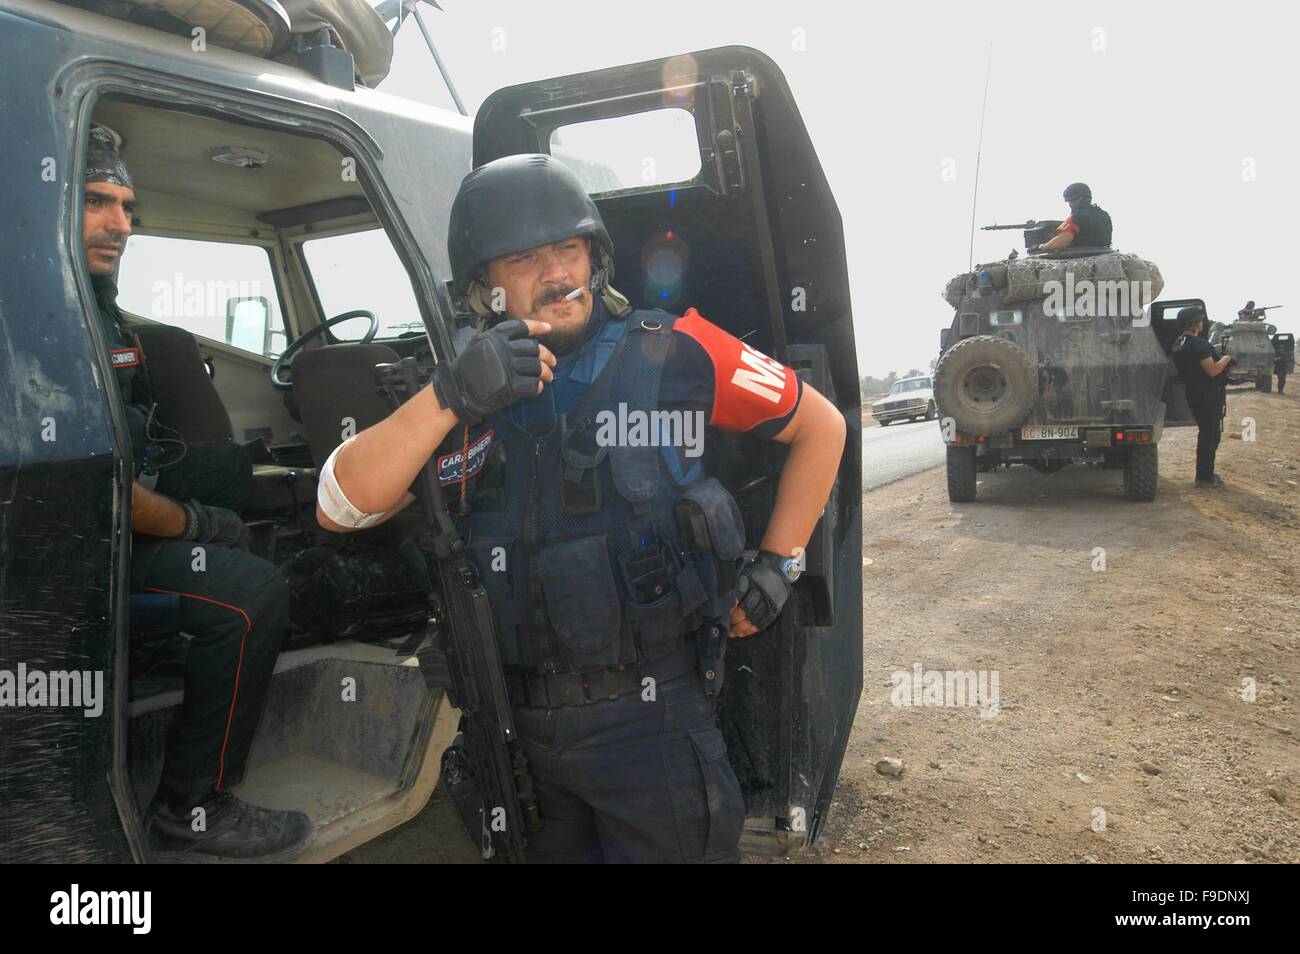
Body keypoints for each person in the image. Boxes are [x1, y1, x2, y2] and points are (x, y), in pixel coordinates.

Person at [317, 153, 847, 863]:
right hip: (513, 735)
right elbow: (340, 507)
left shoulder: (677, 349)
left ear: (595, 259)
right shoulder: (455, 394)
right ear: (483, 286)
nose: (556, 273)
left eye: (568, 249)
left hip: (650, 727)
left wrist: (781, 565)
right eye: (524, 258)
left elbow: (822, 427)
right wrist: (449, 397)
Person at [83, 125, 313, 861]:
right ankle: (192, 805)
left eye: (127, 207)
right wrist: (194, 524)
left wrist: (199, 497)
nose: (120, 224)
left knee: (231, 469)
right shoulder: (49, 314)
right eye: (95, 202)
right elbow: (104, 492)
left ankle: (207, 595)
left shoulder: (94, 302)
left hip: (125, 492)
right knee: (254, 596)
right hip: (89, 539)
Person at [1171, 305, 1234, 489]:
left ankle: (1205, 474)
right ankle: (1205, 477)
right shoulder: (1199, 344)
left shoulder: (1179, 343)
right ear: (1193, 324)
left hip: (1193, 392)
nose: (1202, 323)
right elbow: (1212, 370)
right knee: (1210, 435)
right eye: (1199, 321)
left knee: (1209, 434)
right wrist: (1226, 359)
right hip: (1207, 395)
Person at [1037, 182, 1113, 252]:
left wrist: (1040, 247)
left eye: (1072, 201)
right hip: (1104, 255)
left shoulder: (1077, 217)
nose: (1070, 204)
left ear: (1081, 198)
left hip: (1081, 257)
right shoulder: (1104, 215)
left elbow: (1059, 243)